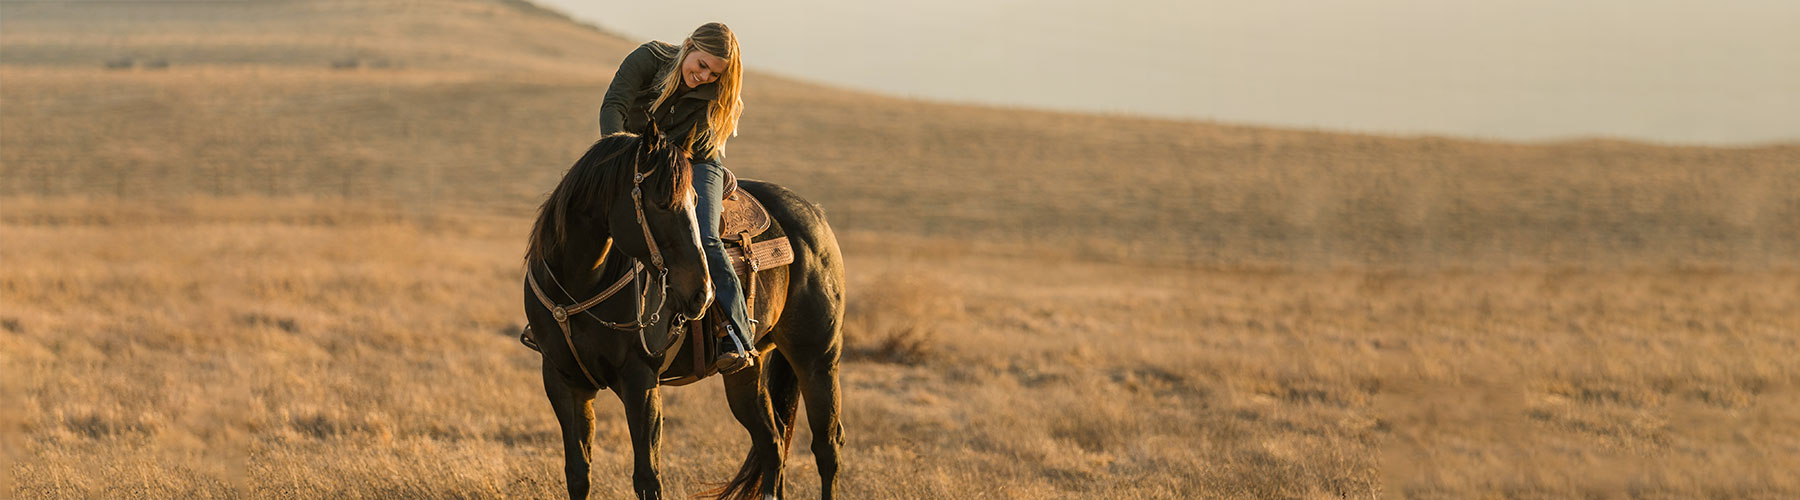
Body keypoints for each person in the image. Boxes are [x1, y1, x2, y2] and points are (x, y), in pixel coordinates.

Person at [597, 22, 755, 374]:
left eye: (714, 74)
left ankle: (738, 334)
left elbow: (687, 153)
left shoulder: (712, 96)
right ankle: (557, 314)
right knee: (587, 212)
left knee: (704, 235)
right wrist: (617, 158)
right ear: (688, 46)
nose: (704, 76)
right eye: (701, 65)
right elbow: (614, 106)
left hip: (694, 160)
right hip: (633, 152)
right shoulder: (648, 59)